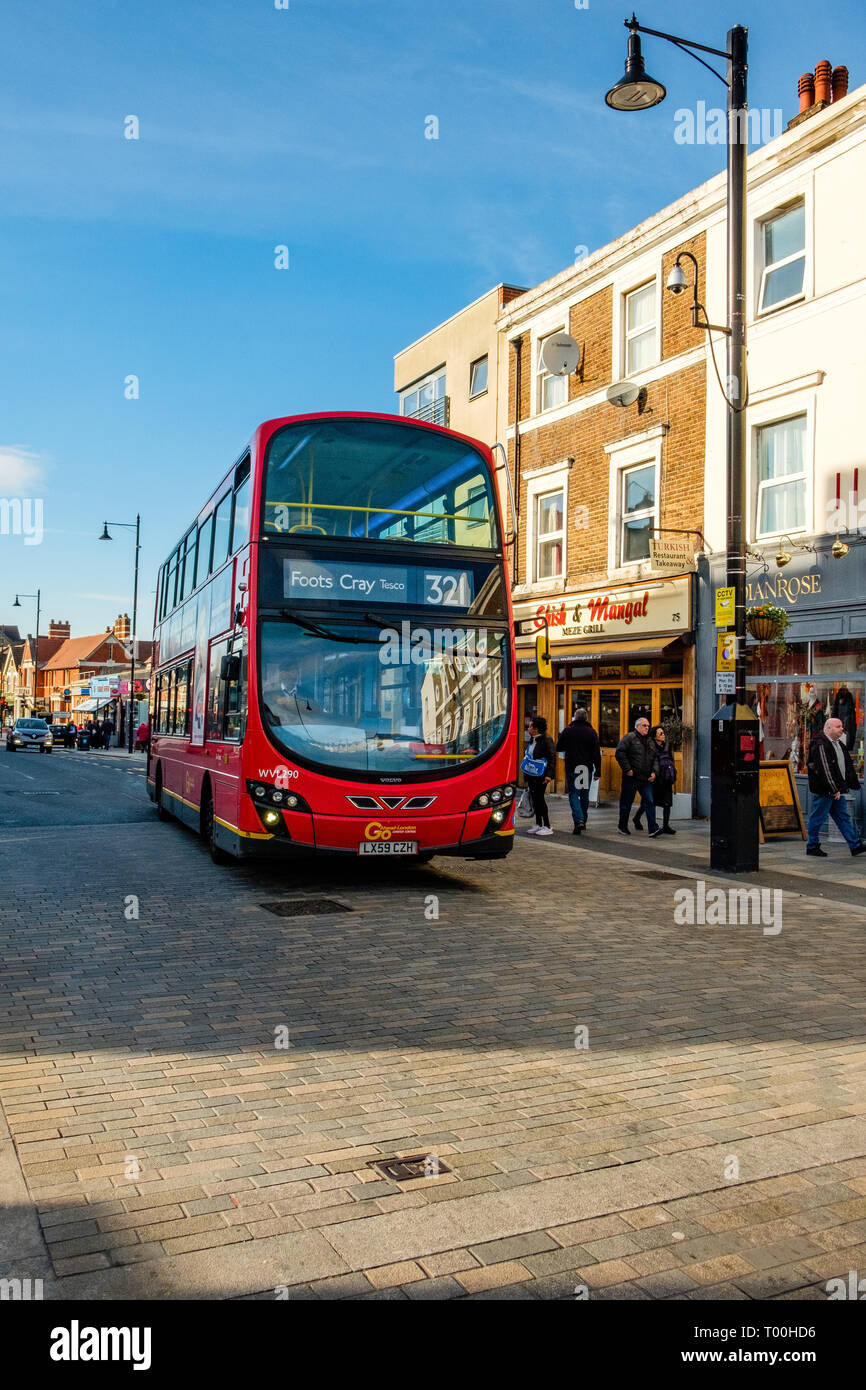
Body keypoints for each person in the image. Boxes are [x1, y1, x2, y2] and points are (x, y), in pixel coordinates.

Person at [805, 716, 865, 857]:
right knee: (818, 817)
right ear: (828, 728)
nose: (842, 729)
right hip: (826, 790)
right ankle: (812, 846)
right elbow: (825, 769)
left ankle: (854, 844)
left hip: (836, 789)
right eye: (838, 726)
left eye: (841, 726)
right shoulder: (820, 744)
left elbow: (844, 766)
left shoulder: (838, 743)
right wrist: (834, 789)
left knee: (842, 817)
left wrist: (844, 786)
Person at [556, 706, 601, 835]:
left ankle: (578, 820)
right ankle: (584, 820)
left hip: (572, 767)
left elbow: (559, 747)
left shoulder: (568, 730)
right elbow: (596, 753)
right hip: (586, 767)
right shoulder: (592, 732)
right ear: (586, 718)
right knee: (584, 794)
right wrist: (598, 771)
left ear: (575, 717)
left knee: (574, 794)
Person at [616, 716, 661, 837]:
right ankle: (622, 827)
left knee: (650, 802)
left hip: (646, 778)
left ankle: (653, 828)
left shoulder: (650, 741)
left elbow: (655, 758)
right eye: (644, 725)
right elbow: (619, 752)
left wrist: (654, 772)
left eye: (648, 726)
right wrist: (627, 769)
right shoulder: (629, 737)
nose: (647, 728)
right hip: (631, 778)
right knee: (626, 803)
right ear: (637, 726)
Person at [635, 725, 676, 834]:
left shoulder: (668, 746)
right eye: (660, 734)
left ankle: (666, 825)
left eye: (663, 733)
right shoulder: (650, 746)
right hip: (655, 778)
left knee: (667, 803)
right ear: (654, 737)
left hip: (666, 778)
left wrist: (673, 774)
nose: (663, 735)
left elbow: (671, 760)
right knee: (648, 802)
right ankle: (636, 818)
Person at [523, 716, 556, 837]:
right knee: (535, 799)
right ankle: (538, 824)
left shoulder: (547, 740)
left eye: (530, 726)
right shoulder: (533, 739)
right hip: (532, 774)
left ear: (536, 729)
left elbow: (552, 758)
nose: (528, 728)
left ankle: (547, 826)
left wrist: (549, 775)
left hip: (542, 775)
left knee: (540, 799)